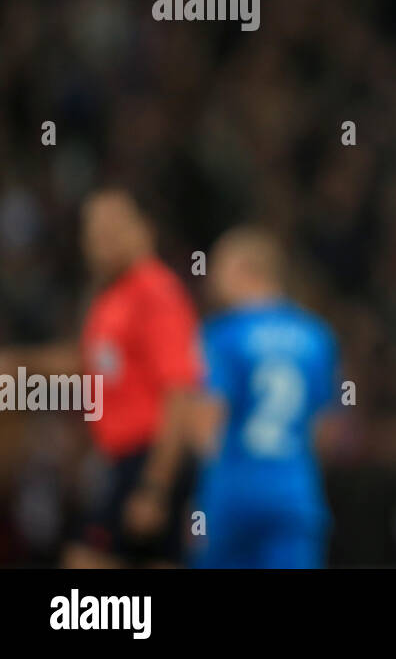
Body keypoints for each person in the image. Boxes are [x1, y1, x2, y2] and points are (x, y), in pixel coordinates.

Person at [0, 188, 203, 567]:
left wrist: (155, 486)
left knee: (85, 562)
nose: (100, 243)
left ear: (144, 230)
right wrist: (20, 363)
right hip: (121, 461)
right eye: (92, 233)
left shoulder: (156, 293)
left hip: (150, 457)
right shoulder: (112, 298)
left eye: (112, 230)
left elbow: (180, 391)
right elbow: (86, 362)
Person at [188, 226, 341, 569]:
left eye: (220, 267)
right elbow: (325, 431)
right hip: (294, 493)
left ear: (246, 270)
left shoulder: (221, 335)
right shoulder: (317, 336)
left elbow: (206, 431)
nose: (211, 279)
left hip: (232, 494)